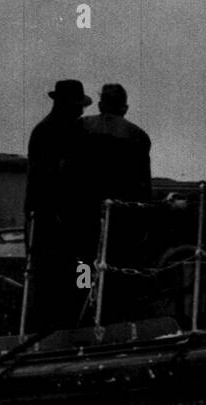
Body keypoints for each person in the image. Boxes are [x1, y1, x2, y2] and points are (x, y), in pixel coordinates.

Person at [24, 79, 90, 332]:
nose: (81, 110)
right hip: (58, 221)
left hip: (63, 221)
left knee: (75, 274)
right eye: (77, 105)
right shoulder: (53, 133)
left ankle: (69, 321)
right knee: (67, 275)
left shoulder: (50, 130)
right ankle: (59, 329)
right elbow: (45, 179)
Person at [73, 83, 153, 287]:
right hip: (122, 218)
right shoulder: (139, 136)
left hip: (83, 213)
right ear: (125, 108)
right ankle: (113, 307)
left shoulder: (81, 127)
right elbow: (144, 186)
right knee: (117, 269)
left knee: (84, 261)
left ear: (100, 105)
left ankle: (83, 293)